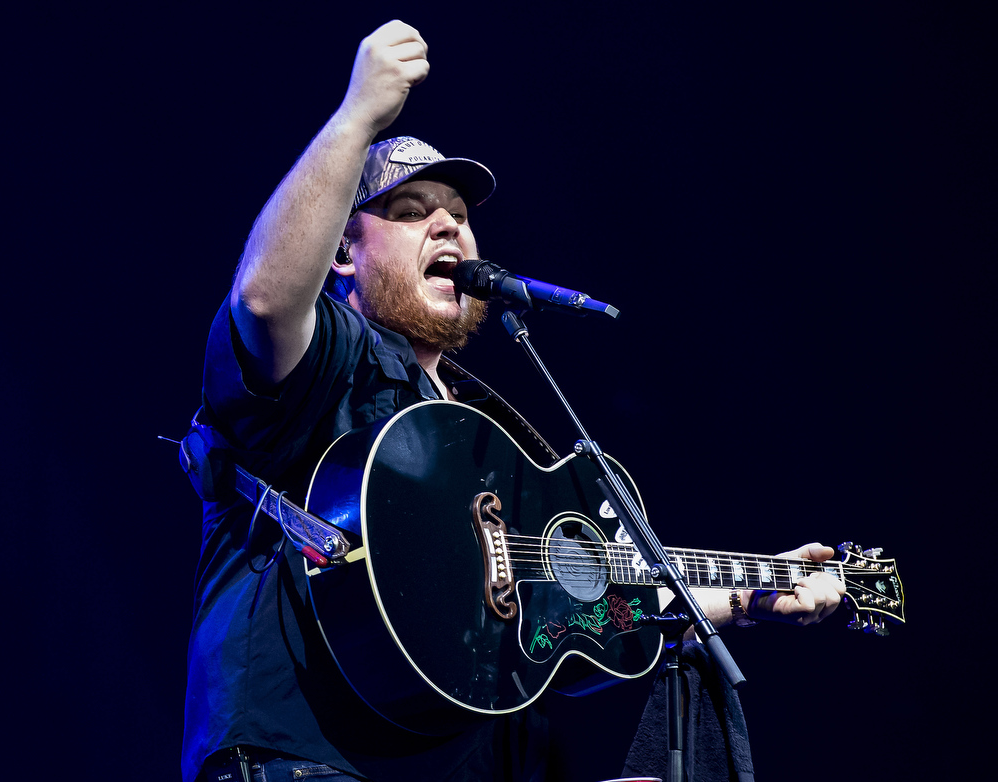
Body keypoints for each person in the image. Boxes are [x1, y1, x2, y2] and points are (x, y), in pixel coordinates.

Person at [181, 20, 845, 782]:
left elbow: (580, 616)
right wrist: (358, 114)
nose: (448, 225)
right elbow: (265, 301)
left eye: (460, 217)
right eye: (410, 211)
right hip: (301, 760)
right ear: (342, 251)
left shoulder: (479, 434)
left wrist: (750, 592)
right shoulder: (326, 358)